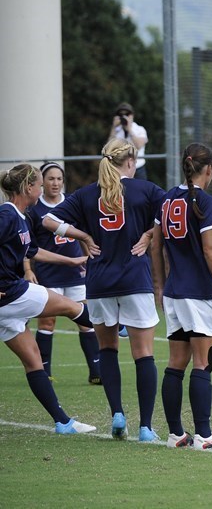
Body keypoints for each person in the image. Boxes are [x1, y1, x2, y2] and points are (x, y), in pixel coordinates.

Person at [42, 138, 166, 440]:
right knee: (144, 354)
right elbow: (173, 213)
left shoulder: (86, 194)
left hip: (98, 282)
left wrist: (82, 235)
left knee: (107, 349)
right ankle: (146, 428)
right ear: (131, 161)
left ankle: (117, 414)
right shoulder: (145, 189)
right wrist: (150, 235)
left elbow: (47, 219)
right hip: (135, 280)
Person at [138, 143, 212, 449]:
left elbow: (155, 246)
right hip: (201, 293)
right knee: (202, 362)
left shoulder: (167, 199)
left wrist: (160, 284)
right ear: (209, 169)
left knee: (176, 362)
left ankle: (176, 434)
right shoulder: (205, 201)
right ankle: (204, 436)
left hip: (174, 292)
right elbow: (210, 250)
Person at [1, 163, 97, 434]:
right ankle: (116, 325)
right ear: (27, 188)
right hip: (11, 293)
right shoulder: (6, 215)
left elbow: (33, 251)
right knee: (71, 307)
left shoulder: (21, 217)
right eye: (40, 185)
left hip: (8, 302)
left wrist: (70, 260)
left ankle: (63, 422)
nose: (43, 189)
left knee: (33, 361)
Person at [25, 162, 101, 385]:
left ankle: (96, 371)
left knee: (86, 320)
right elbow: (27, 245)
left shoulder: (71, 203)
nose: (55, 183)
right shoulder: (34, 209)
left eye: (59, 179)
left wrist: (90, 259)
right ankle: (44, 372)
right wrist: (28, 269)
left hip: (76, 271)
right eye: (50, 179)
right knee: (47, 322)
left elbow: (84, 234)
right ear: (42, 182)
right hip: (49, 273)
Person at [108, 102, 149, 182]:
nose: (124, 117)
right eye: (121, 115)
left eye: (127, 114)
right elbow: (108, 149)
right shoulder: (116, 131)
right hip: (120, 169)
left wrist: (129, 129)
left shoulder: (139, 129)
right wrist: (113, 128)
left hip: (138, 168)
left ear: (132, 115)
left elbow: (139, 145)